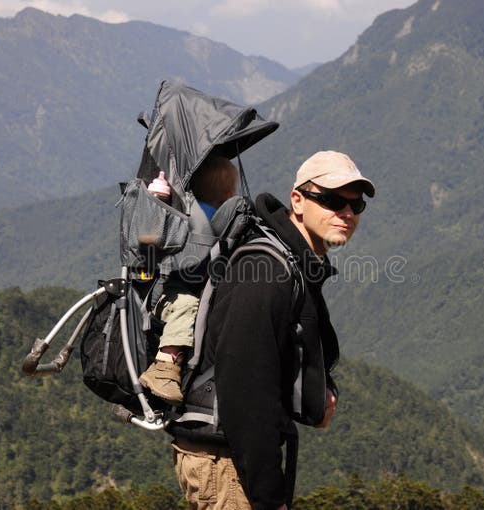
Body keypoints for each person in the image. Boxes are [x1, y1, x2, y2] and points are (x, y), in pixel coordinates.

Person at [168, 150, 375, 509]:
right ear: (298, 200)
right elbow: (245, 389)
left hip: (233, 459)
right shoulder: (267, 272)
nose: (345, 213)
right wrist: (269, 497)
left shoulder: (294, 264)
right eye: (331, 200)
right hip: (228, 464)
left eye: (355, 206)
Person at [139, 154, 239, 406]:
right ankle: (164, 369)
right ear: (228, 196)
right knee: (188, 307)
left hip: (167, 293)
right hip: (175, 298)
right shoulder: (208, 223)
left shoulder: (190, 213)